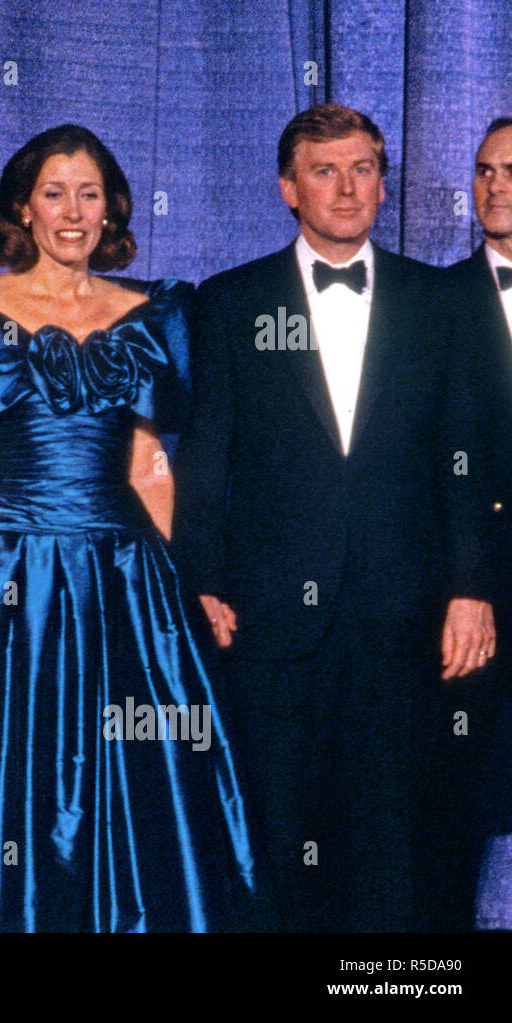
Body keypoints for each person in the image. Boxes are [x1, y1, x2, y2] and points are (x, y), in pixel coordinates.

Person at [0, 125, 260, 932]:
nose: (72, 211)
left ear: (112, 209)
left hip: (123, 579)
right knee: (2, 781)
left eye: (89, 194)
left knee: (138, 779)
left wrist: (179, 586)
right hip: (6, 574)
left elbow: (148, 467)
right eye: (54, 192)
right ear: (22, 205)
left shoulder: (156, 312)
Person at [173, 104, 493, 932]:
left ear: (383, 184)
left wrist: (471, 585)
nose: (346, 188)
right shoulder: (229, 301)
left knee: (403, 841)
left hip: (411, 614)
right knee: (283, 833)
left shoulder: (438, 300)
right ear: (288, 188)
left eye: (362, 170)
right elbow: (207, 459)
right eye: (325, 170)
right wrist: (200, 580)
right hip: (270, 617)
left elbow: (465, 456)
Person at [445, 116, 512, 931]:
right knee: (461, 800)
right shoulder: (432, 302)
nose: (497, 184)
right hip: (472, 593)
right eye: (485, 169)